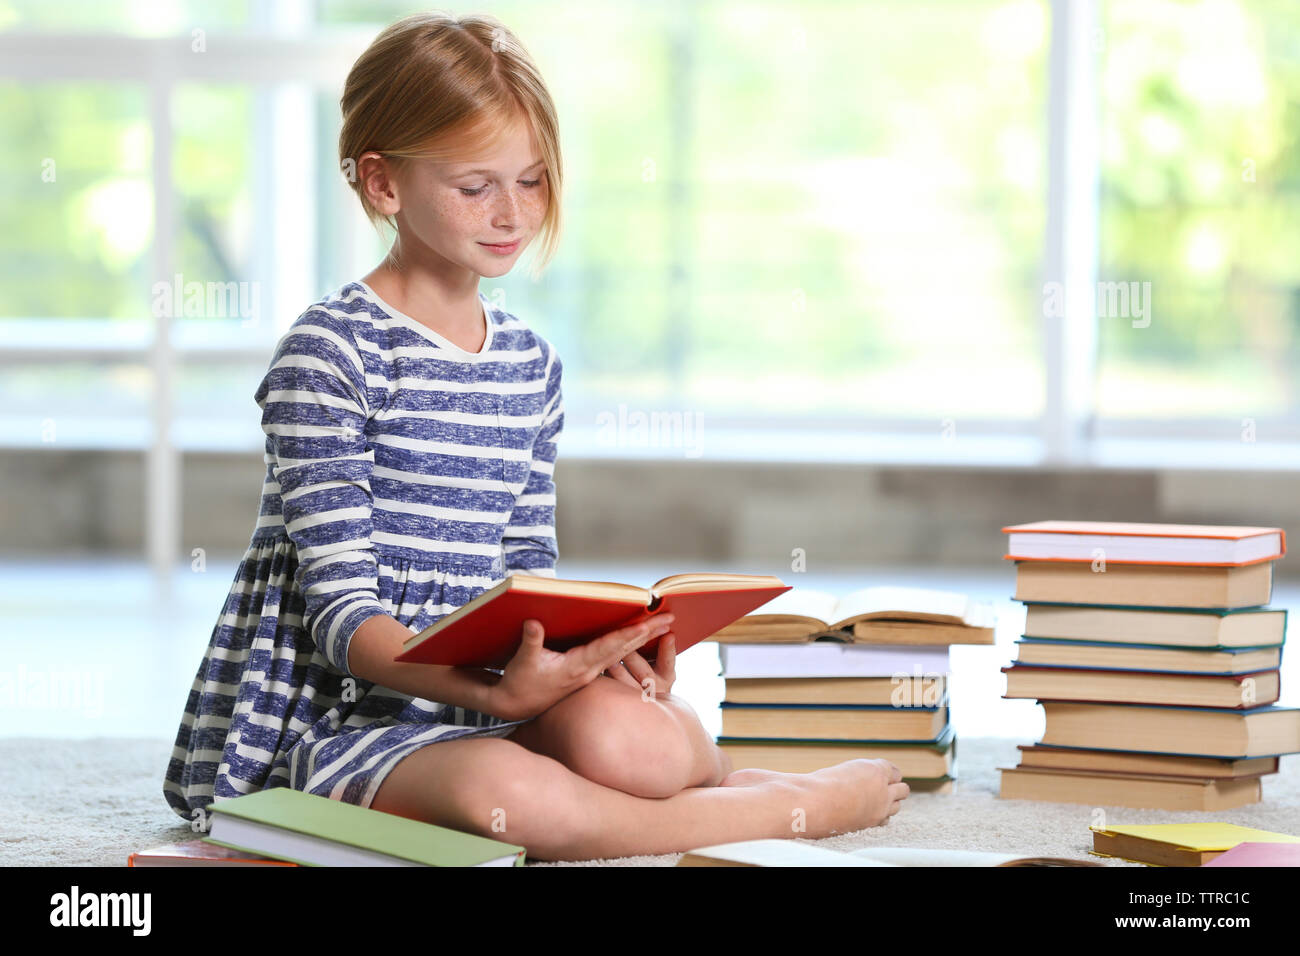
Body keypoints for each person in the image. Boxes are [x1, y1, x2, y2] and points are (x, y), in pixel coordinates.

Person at [162, 11, 908, 862]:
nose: (511, 213)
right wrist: (502, 691)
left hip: (493, 687)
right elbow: (344, 623)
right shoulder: (331, 351)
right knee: (510, 802)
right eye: (475, 186)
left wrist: (596, 653)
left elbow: (527, 575)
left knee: (644, 745)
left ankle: (718, 780)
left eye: (533, 181)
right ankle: (774, 814)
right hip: (345, 713)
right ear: (383, 185)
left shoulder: (530, 362)